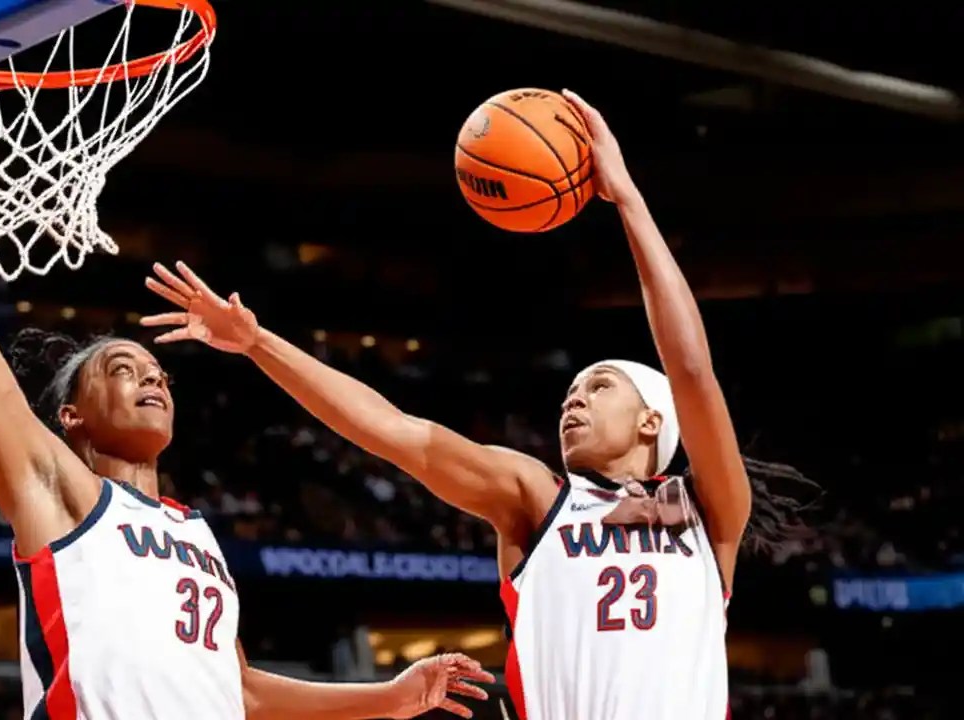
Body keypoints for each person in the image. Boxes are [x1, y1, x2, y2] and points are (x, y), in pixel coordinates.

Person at [141, 90, 815, 720]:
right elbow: (393, 431)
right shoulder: (536, 498)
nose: (573, 402)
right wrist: (258, 344)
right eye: (571, 393)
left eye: (599, 387)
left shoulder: (708, 513)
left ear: (652, 421)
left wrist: (628, 199)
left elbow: (691, 369)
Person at [0, 103, 493, 720]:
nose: (151, 379)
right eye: (122, 370)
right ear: (71, 417)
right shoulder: (57, 488)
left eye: (158, 373)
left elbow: (241, 690)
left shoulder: (194, 530)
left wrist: (392, 697)